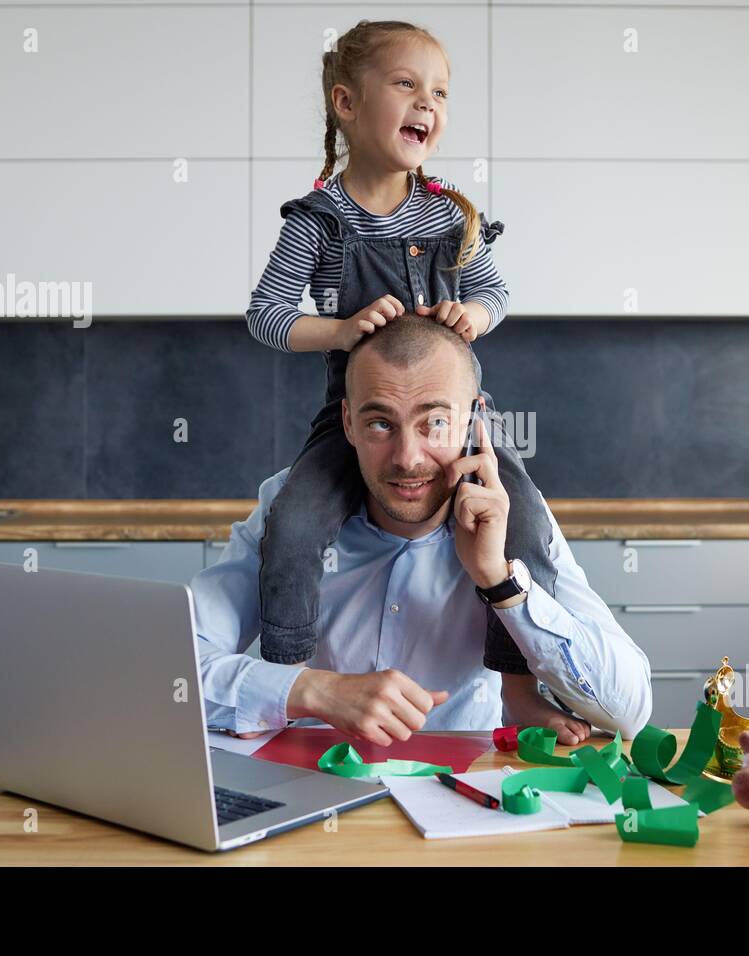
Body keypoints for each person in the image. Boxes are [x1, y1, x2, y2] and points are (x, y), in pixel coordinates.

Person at [243, 19, 558, 719]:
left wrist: (471, 319)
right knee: (293, 526)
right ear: (346, 104)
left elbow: (496, 295)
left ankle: (516, 686)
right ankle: (286, 686)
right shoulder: (317, 222)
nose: (428, 104)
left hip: (460, 422)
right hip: (358, 419)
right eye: (407, 84)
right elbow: (266, 314)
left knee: (528, 525)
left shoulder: (449, 215)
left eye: (440, 92)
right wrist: (342, 328)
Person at [193, 315, 653, 746]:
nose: (408, 457)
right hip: (315, 796)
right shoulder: (289, 510)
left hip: (469, 802)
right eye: (380, 424)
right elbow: (169, 674)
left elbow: (629, 711)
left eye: (434, 422)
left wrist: (501, 582)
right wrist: (313, 690)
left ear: (473, 421)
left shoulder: (515, 519)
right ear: (348, 423)